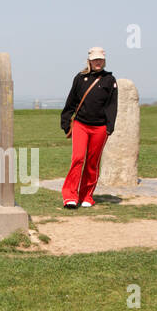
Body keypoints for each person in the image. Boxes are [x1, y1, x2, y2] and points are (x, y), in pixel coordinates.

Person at [60, 47, 118, 208]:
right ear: (89, 60)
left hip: (100, 128)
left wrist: (109, 127)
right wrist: (65, 122)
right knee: (78, 158)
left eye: (100, 59)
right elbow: (71, 101)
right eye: (95, 59)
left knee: (93, 162)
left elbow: (112, 106)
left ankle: (87, 196)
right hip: (81, 124)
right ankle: (70, 196)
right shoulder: (80, 78)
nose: (97, 62)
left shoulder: (110, 80)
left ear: (104, 61)